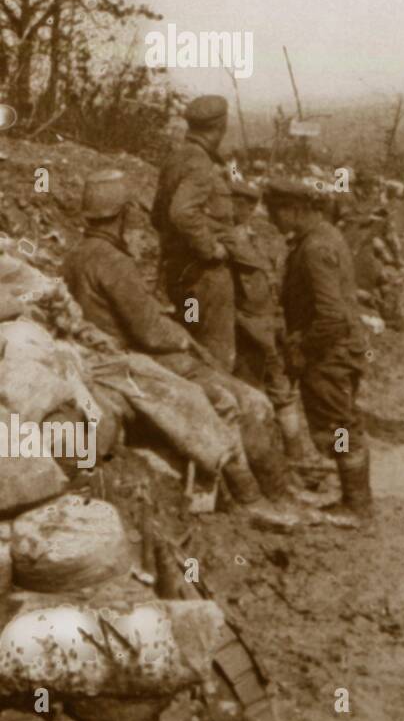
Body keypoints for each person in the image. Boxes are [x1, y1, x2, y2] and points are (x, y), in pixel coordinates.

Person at [64, 170, 298, 519]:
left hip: (112, 355)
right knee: (245, 402)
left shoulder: (77, 254)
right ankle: (256, 497)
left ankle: (274, 492)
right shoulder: (111, 260)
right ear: (124, 212)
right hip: (135, 359)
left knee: (237, 395)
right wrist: (186, 341)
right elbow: (148, 332)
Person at [263, 179, 373, 525]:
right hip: (340, 348)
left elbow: (331, 315)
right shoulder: (322, 238)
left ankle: (356, 505)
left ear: (296, 211)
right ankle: (353, 499)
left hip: (330, 353)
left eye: (276, 211)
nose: (272, 219)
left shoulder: (314, 249)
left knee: (339, 426)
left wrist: (301, 346)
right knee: (343, 423)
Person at [227, 178, 312, 477]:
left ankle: (292, 458)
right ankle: (280, 458)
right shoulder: (239, 239)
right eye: (240, 203)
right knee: (263, 391)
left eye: (248, 204)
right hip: (251, 327)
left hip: (262, 327)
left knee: (275, 389)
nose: (245, 209)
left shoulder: (251, 239)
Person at [151, 95, 237, 368]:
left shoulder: (176, 159)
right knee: (215, 353)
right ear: (221, 126)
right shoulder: (200, 163)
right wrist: (211, 248)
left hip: (180, 275)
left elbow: (157, 215)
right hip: (204, 278)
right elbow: (181, 212)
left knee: (192, 342)